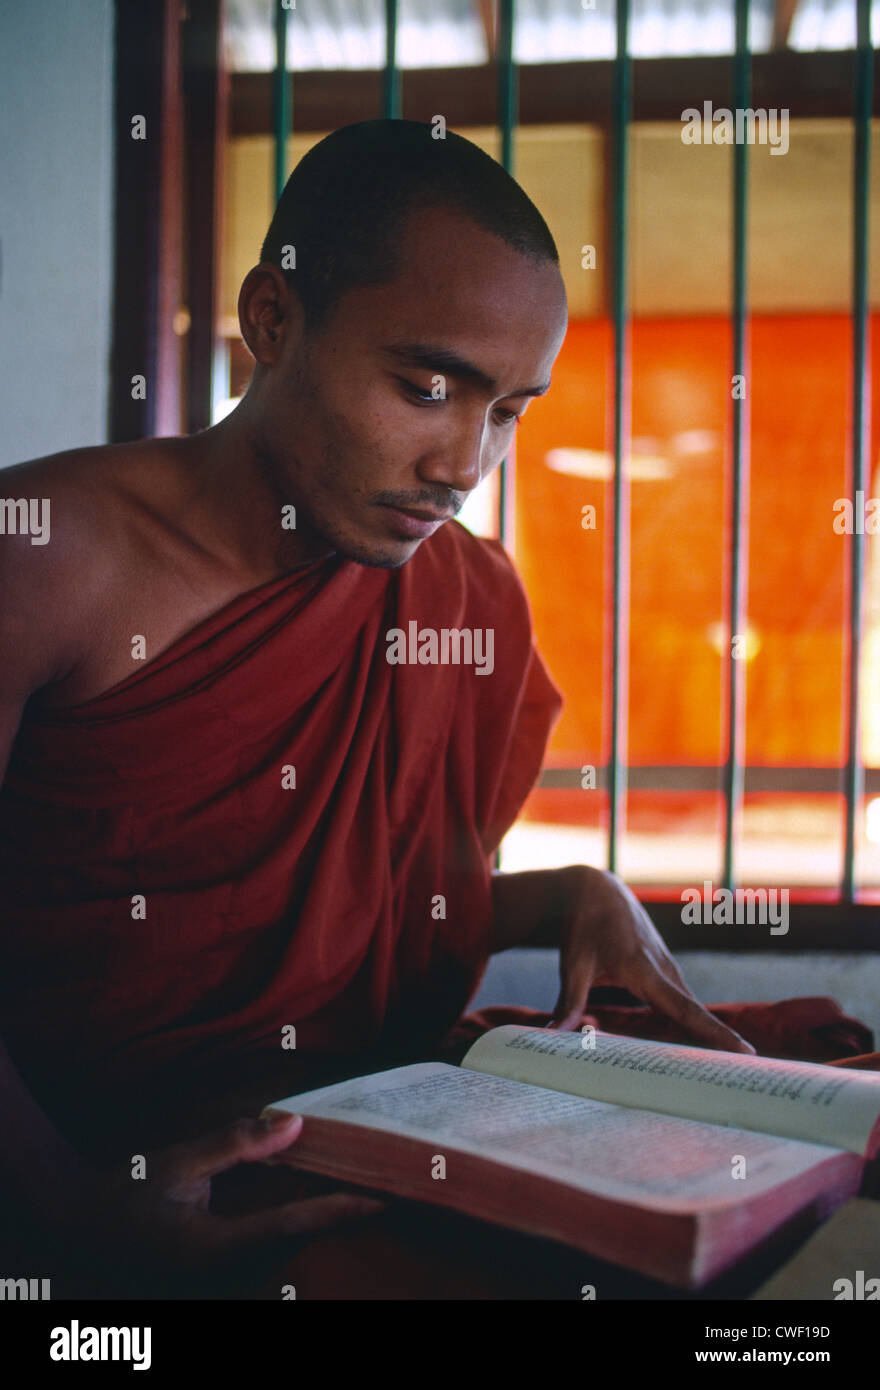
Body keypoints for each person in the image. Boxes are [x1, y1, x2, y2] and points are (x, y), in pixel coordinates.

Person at [0, 119, 753, 1296]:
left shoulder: (466, 596)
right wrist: (69, 1224)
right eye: (427, 386)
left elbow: (355, 918)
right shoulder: (46, 561)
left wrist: (569, 895)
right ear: (272, 320)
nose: (466, 461)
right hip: (105, 1162)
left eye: (509, 411)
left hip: (359, 1115)